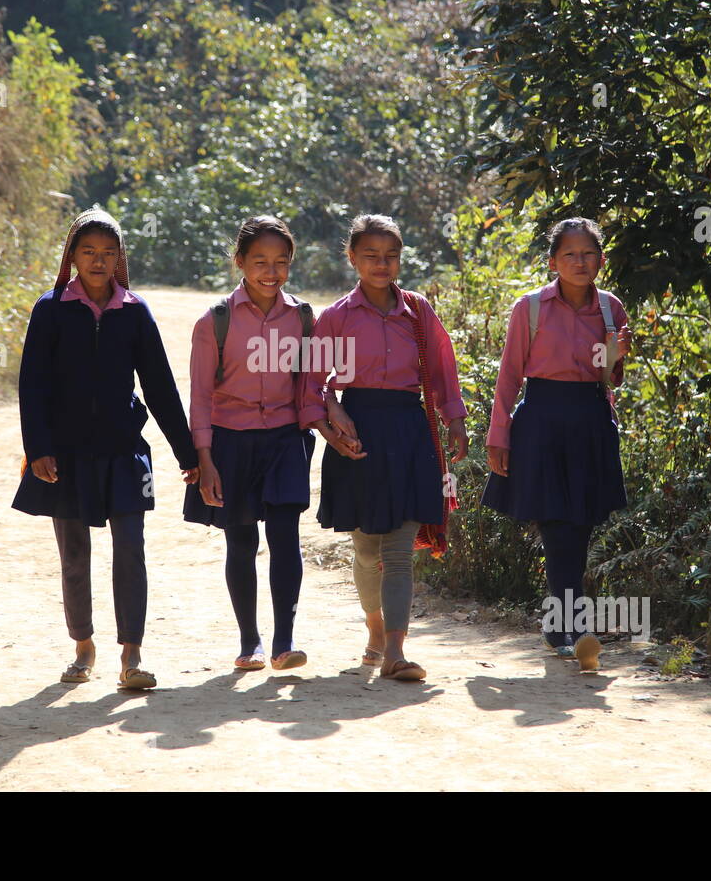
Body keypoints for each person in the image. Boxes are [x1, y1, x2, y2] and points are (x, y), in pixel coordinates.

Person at [12, 207, 199, 690]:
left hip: (123, 451)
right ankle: (83, 647)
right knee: (74, 556)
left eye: (108, 252)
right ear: (72, 255)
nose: (98, 261)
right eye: (88, 251)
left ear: (119, 258)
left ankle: (131, 656)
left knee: (130, 549)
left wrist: (187, 453)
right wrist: (39, 449)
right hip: (66, 455)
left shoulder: (134, 313)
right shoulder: (50, 309)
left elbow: (159, 387)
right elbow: (32, 387)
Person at [298, 214, 468, 682]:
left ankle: (395, 648)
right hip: (358, 434)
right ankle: (374, 628)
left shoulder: (418, 311)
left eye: (391, 255)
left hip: (410, 431)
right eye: (370, 255)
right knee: (367, 549)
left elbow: (442, 368)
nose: (381, 264)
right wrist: (334, 421)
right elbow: (312, 387)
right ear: (351, 258)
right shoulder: (334, 317)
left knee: (397, 550)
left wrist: (454, 419)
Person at [480, 217, 633, 673]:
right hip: (541, 422)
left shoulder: (610, 309)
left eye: (589, 254)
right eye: (570, 254)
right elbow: (510, 375)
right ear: (553, 262)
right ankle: (572, 627)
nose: (580, 262)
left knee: (580, 526)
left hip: (589, 422)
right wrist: (498, 435)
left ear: (601, 260)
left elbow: (609, 378)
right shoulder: (530, 308)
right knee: (555, 526)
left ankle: (561, 626)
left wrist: (616, 356)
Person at [184, 215, 316, 672]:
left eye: (281, 261)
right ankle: (250, 641)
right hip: (230, 444)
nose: (271, 271)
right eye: (259, 260)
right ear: (239, 262)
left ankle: (285, 640)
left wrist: (328, 421)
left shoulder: (302, 318)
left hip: (284, 440)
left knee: (285, 538)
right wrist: (203, 458)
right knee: (240, 542)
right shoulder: (215, 321)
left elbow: (312, 385)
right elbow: (199, 395)